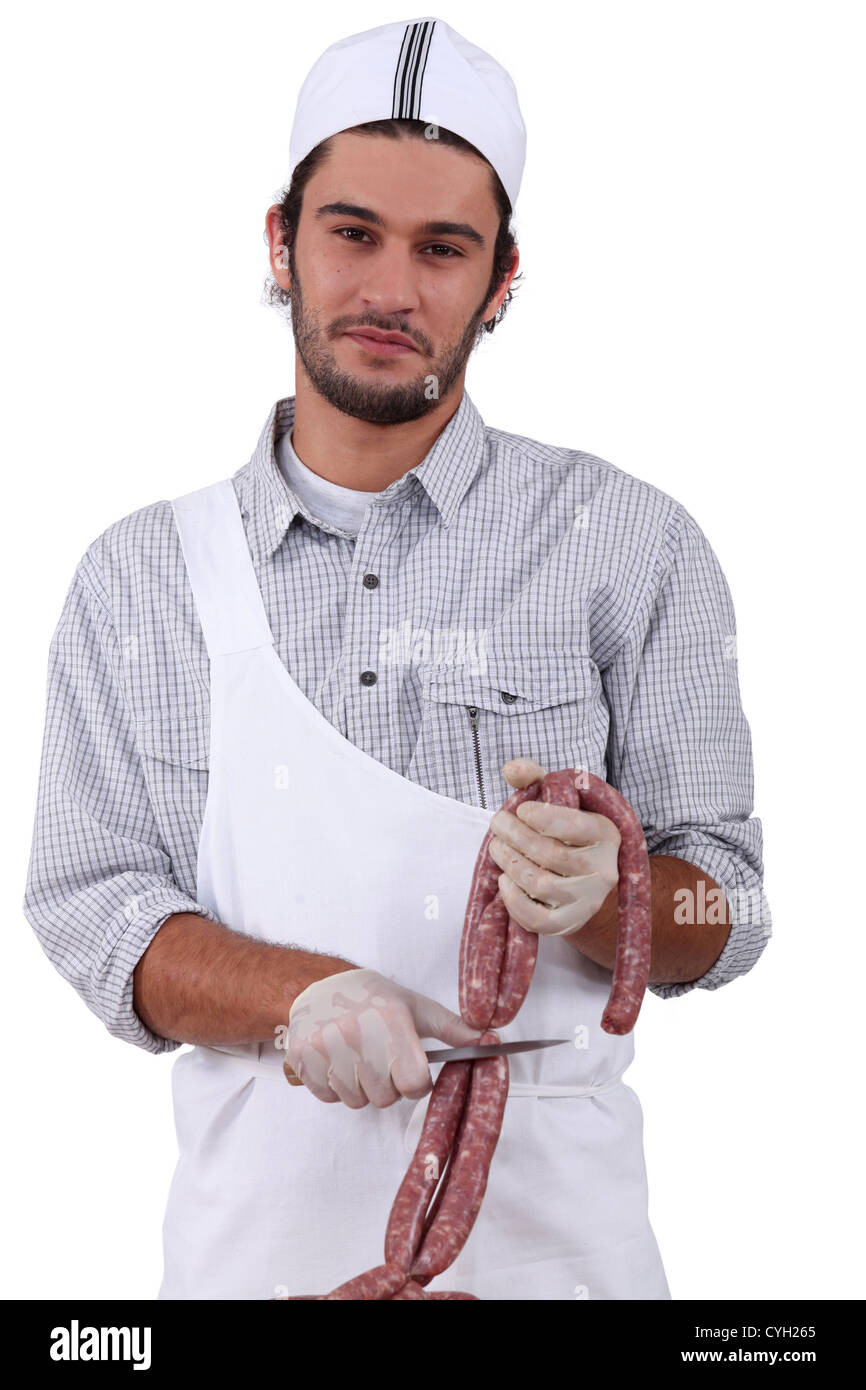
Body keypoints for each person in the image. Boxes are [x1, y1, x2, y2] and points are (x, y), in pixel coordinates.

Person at [22, 16, 770, 1301]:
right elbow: (93, 906)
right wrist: (296, 993)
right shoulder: (140, 579)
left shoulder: (627, 544)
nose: (389, 290)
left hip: (560, 1267)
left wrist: (617, 895)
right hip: (251, 1263)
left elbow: (733, 911)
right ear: (281, 240)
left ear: (502, 278)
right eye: (352, 232)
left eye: (443, 249)